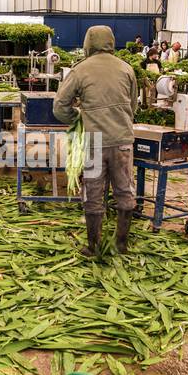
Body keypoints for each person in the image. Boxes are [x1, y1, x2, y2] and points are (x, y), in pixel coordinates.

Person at [52, 25, 138, 256]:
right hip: (122, 142)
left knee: (93, 193)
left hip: (94, 142)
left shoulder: (80, 70)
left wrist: (78, 117)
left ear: (88, 43)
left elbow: (59, 106)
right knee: (125, 192)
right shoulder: (126, 69)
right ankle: (121, 244)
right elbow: (133, 105)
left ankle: (94, 246)